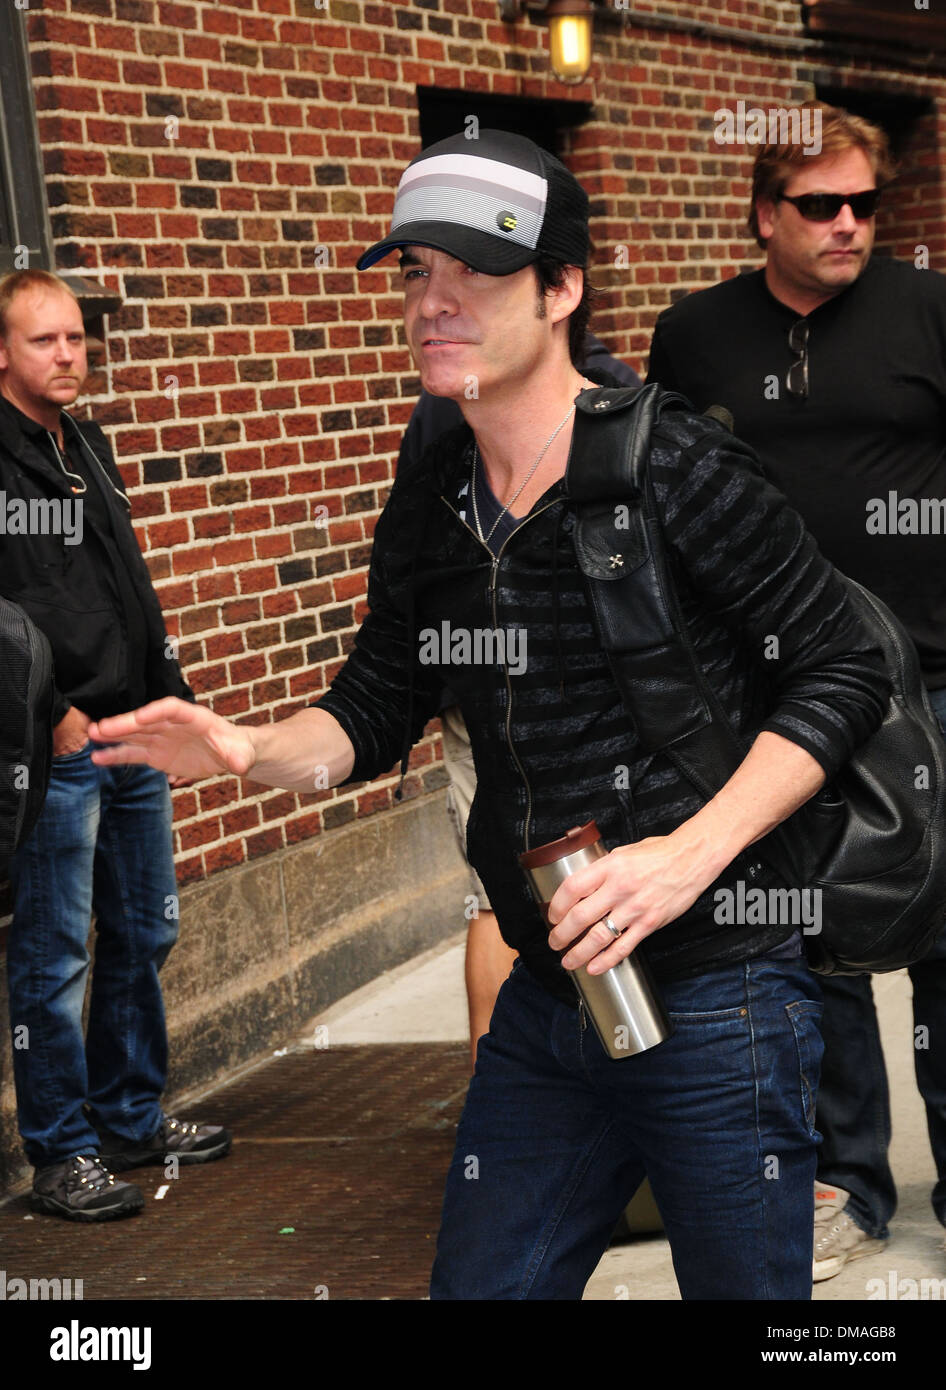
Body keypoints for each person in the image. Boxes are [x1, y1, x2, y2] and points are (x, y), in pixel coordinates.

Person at [89, 130, 887, 1298]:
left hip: (722, 997)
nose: (434, 302)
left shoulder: (676, 463)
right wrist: (248, 750)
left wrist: (683, 857)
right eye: (416, 270)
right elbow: (378, 700)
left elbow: (840, 669)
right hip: (549, 1000)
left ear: (561, 289)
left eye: (473, 271)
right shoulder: (434, 479)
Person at [647, 101, 946, 1279]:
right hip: (777, 689)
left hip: (932, 673)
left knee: (939, 925)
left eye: (864, 205)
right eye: (819, 206)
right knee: (811, 933)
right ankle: (847, 1181)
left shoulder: (929, 310)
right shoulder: (695, 334)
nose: (847, 226)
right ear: (763, 214)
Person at [0, 270, 231, 1222]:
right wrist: (51, 709)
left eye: (77, 338)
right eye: (46, 340)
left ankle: (131, 1117)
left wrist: (169, 694)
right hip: (59, 744)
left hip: (135, 730)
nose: (68, 354)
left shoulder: (83, 444)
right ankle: (61, 1153)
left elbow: (124, 580)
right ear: (3, 352)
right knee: (53, 960)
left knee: (145, 929)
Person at [398, 336, 641, 1067]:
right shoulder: (449, 417)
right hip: (503, 699)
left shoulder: (620, 408)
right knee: (508, 895)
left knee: (535, 895)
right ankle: (505, 1082)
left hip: (535, 695)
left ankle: (541, 1081)